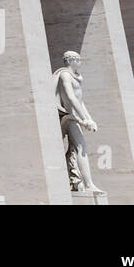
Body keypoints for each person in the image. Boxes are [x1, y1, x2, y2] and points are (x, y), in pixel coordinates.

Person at [53, 51, 104, 195]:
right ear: (70, 60)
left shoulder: (76, 77)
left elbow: (80, 101)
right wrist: (83, 118)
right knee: (81, 146)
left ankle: (77, 180)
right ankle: (88, 184)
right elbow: (70, 97)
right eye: (78, 60)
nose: (80, 62)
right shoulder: (65, 75)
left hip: (77, 117)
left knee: (76, 149)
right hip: (69, 117)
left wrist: (88, 118)